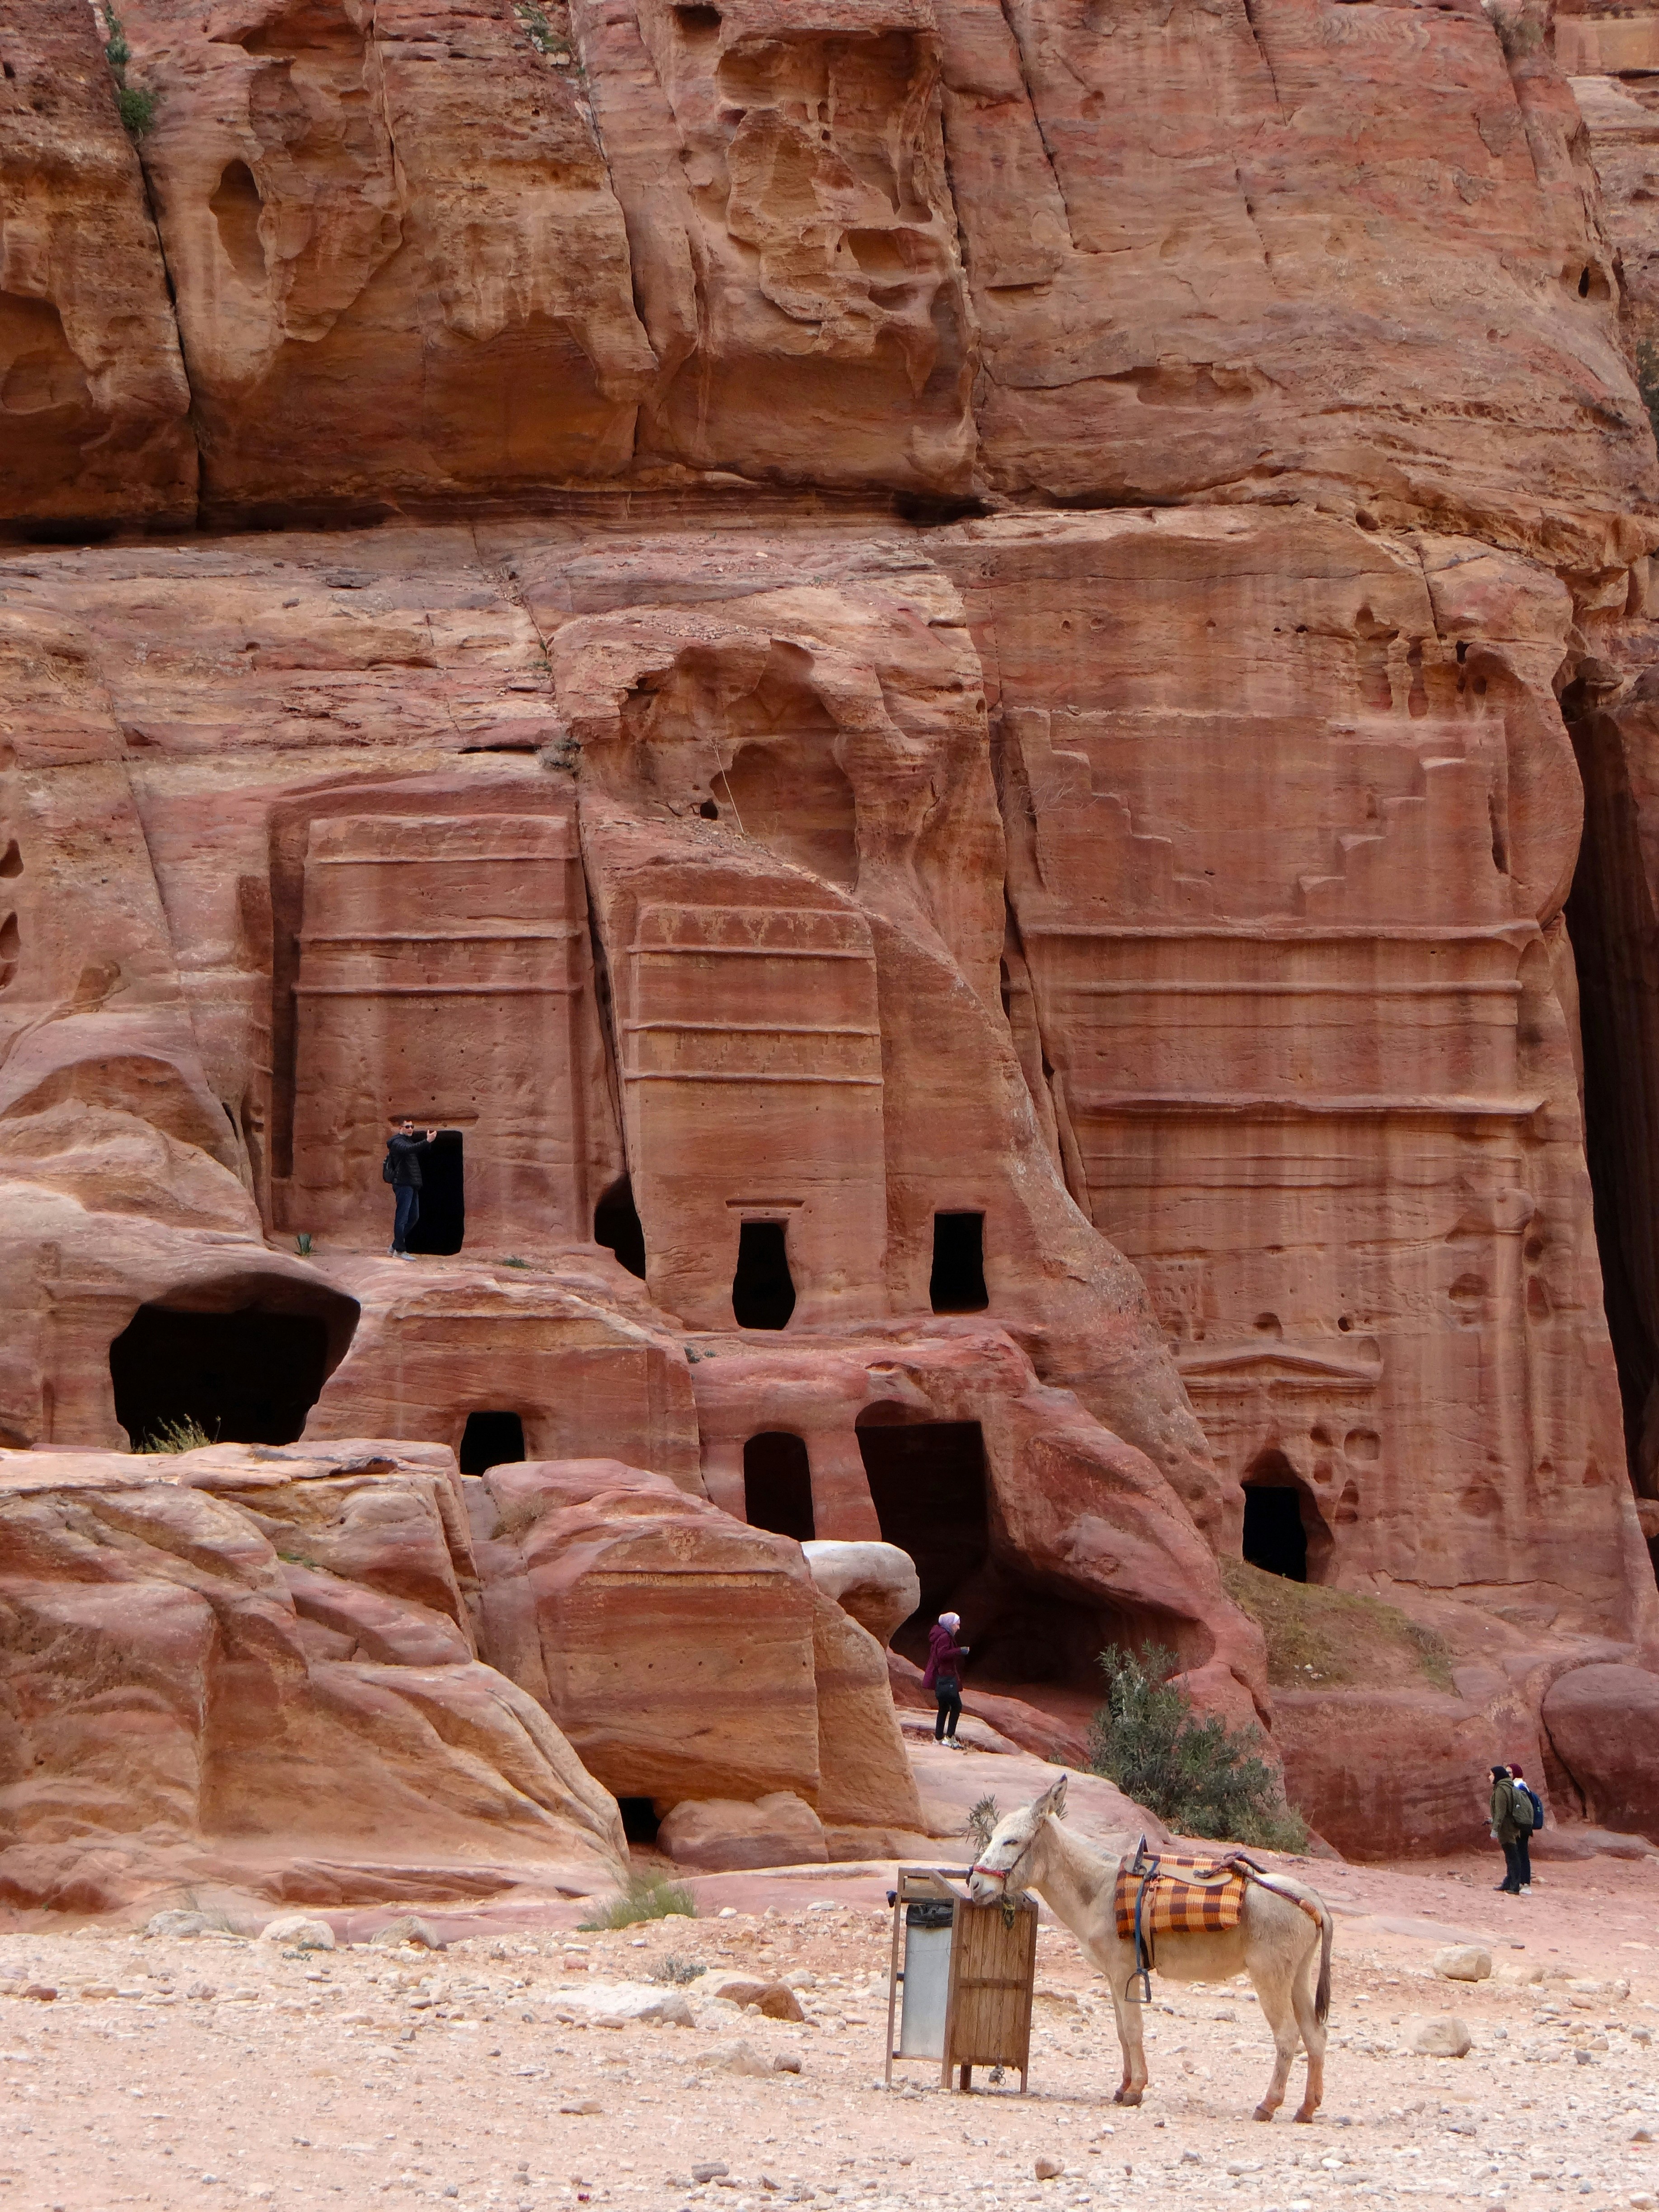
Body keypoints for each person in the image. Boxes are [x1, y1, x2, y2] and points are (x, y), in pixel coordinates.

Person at [384, 1117, 437, 1259]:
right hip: (403, 1184)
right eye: (407, 1127)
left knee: (414, 1216)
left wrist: (427, 1144)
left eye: (412, 1127)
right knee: (402, 1217)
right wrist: (427, 1141)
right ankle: (400, 1251)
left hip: (412, 1183)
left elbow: (416, 1151)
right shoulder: (397, 1142)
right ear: (400, 1128)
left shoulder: (408, 1141)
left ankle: (395, 1246)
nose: (410, 1129)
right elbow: (409, 1150)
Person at [923, 1610, 969, 1748]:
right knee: (957, 1706)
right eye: (957, 1625)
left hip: (942, 1677)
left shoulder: (942, 1635)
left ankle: (938, 1739)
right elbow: (942, 1655)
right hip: (946, 1678)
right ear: (950, 1624)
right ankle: (949, 1738)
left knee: (944, 1707)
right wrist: (960, 1651)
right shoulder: (944, 1637)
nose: (958, 1628)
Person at [1488, 1762, 1529, 1894]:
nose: (1489, 1777)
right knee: (1511, 1856)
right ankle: (1509, 1883)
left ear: (1497, 1776)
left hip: (1507, 1828)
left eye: (1491, 1774)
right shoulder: (1507, 1787)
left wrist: (1495, 1830)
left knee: (1512, 1856)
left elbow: (1501, 1812)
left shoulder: (1501, 1789)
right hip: (1510, 1826)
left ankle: (1515, 1886)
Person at [1508, 1762, 1543, 1895]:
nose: (1508, 1775)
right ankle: (1517, 1882)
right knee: (1517, 1853)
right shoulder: (1516, 1787)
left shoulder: (1521, 1788)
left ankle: (1525, 1883)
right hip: (1519, 1825)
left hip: (1522, 1827)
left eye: (1510, 1773)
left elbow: (1523, 1809)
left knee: (1522, 1854)